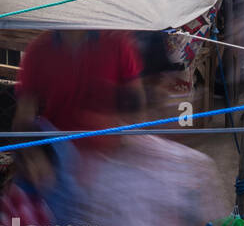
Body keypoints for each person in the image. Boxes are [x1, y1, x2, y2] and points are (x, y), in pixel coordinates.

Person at [12, 30, 145, 145]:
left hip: (111, 152)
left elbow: (136, 107)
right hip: (58, 150)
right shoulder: (37, 50)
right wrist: (32, 152)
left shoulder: (118, 42)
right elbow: (24, 116)